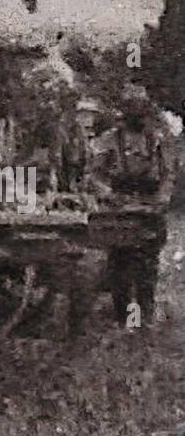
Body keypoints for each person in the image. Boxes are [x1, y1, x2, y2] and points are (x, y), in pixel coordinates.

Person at [84, 87, 174, 325]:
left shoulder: (157, 140)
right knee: (120, 264)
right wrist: (109, 194)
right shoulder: (109, 140)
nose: (138, 115)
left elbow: (167, 174)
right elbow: (94, 175)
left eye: (141, 108)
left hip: (149, 205)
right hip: (120, 206)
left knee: (148, 265)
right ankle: (122, 316)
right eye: (132, 108)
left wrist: (162, 198)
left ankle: (145, 314)